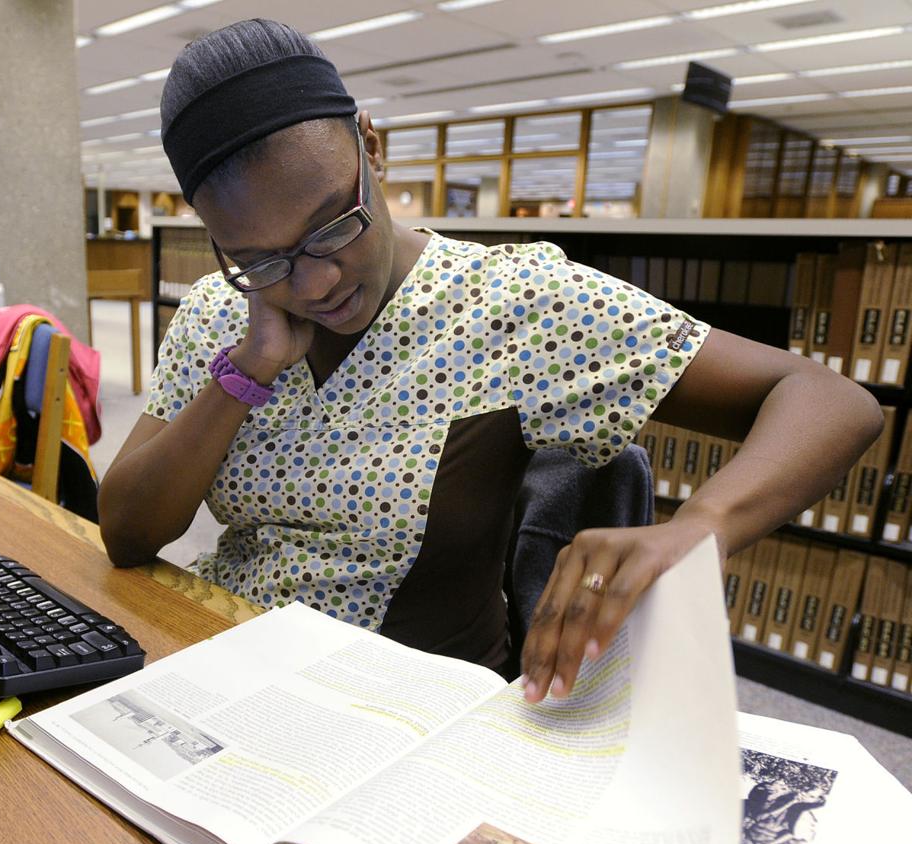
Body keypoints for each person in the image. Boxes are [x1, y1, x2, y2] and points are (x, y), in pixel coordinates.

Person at [98, 19, 882, 705]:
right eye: (260, 258)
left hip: (409, 712)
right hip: (228, 669)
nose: (314, 283)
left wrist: (704, 525)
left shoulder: (511, 302)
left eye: (334, 224)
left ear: (372, 146)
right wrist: (247, 371)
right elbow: (129, 534)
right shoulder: (218, 312)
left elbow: (828, 398)